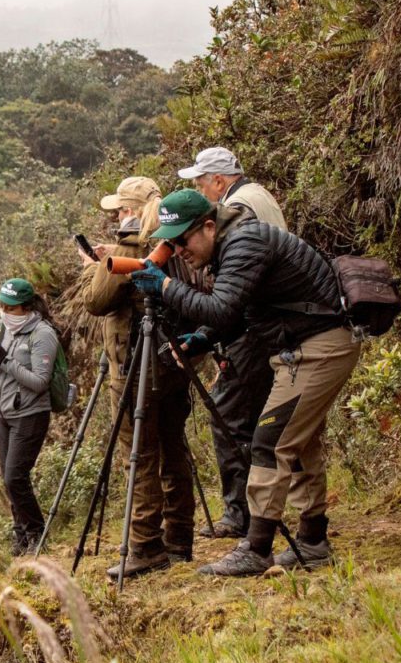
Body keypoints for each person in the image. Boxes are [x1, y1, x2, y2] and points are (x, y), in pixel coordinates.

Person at [141, 189, 362, 576]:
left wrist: (164, 287)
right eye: (170, 243)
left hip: (320, 345)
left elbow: (221, 307)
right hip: (310, 342)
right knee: (300, 442)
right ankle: (312, 542)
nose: (177, 251)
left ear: (209, 226)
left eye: (182, 240)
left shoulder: (244, 243)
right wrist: (202, 339)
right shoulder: (235, 243)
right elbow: (238, 312)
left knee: (270, 441)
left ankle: (257, 548)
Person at [79, 177, 204, 580]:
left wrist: (94, 268)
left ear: (132, 209)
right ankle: (179, 537)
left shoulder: (134, 247)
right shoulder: (174, 238)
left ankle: (145, 545)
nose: (117, 215)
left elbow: (97, 301)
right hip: (174, 357)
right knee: (172, 442)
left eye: (119, 209)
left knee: (140, 453)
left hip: (136, 361)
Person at [179, 146, 286, 539]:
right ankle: (264, 511)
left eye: (199, 183)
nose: (198, 192)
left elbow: (237, 285)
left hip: (252, 328)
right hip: (270, 322)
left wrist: (211, 328)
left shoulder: (237, 209)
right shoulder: (260, 195)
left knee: (228, 418)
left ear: (219, 181)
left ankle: (241, 514)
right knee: (263, 422)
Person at [0, 277, 59, 555]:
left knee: (15, 477)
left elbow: (40, 381)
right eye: (1, 305)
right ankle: (21, 536)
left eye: (10, 307)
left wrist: (6, 362)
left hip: (30, 413)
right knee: (8, 477)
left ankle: (36, 533)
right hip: (2, 412)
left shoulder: (42, 333)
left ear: (26, 307)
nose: (4, 311)